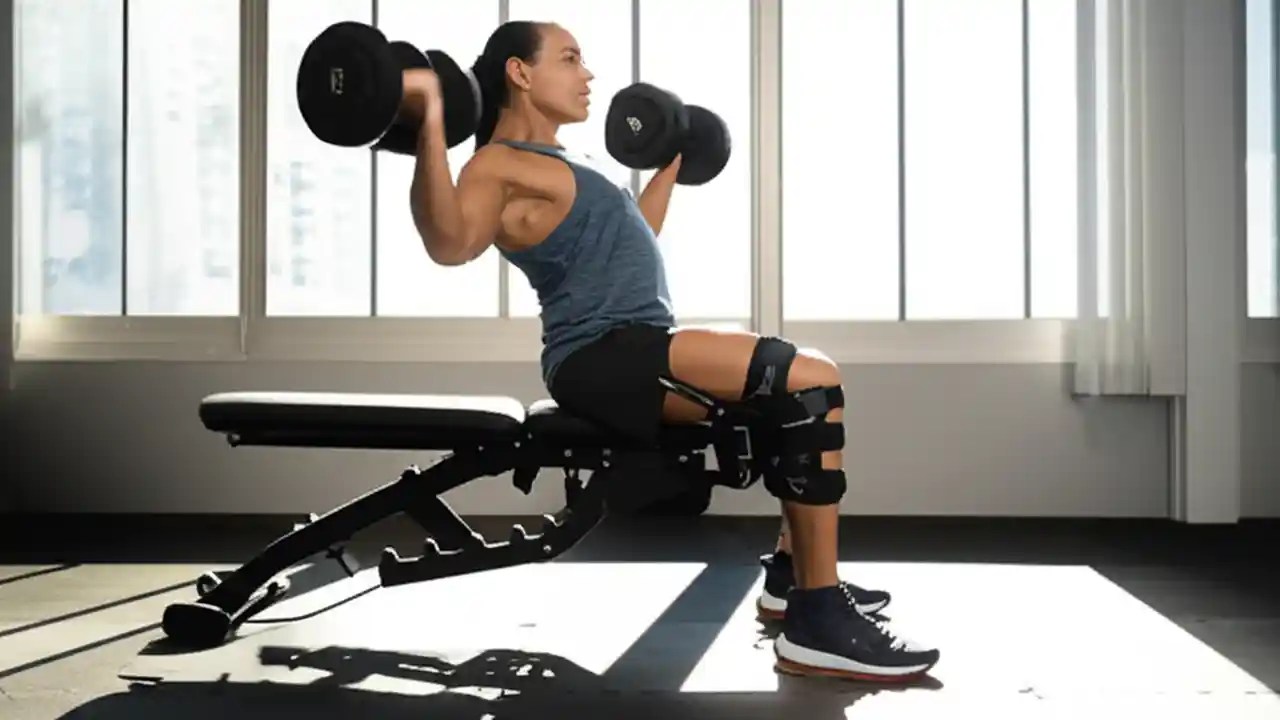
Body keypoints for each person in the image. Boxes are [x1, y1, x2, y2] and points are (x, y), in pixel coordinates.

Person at [402, 20, 939, 682]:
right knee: (808, 380)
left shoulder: (568, 164)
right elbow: (450, 242)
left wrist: (671, 167)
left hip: (633, 344)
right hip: (602, 356)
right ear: (520, 72)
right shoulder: (497, 164)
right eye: (570, 59)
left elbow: (630, 244)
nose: (588, 74)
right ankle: (818, 619)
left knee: (795, 396)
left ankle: (795, 583)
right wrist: (429, 117)